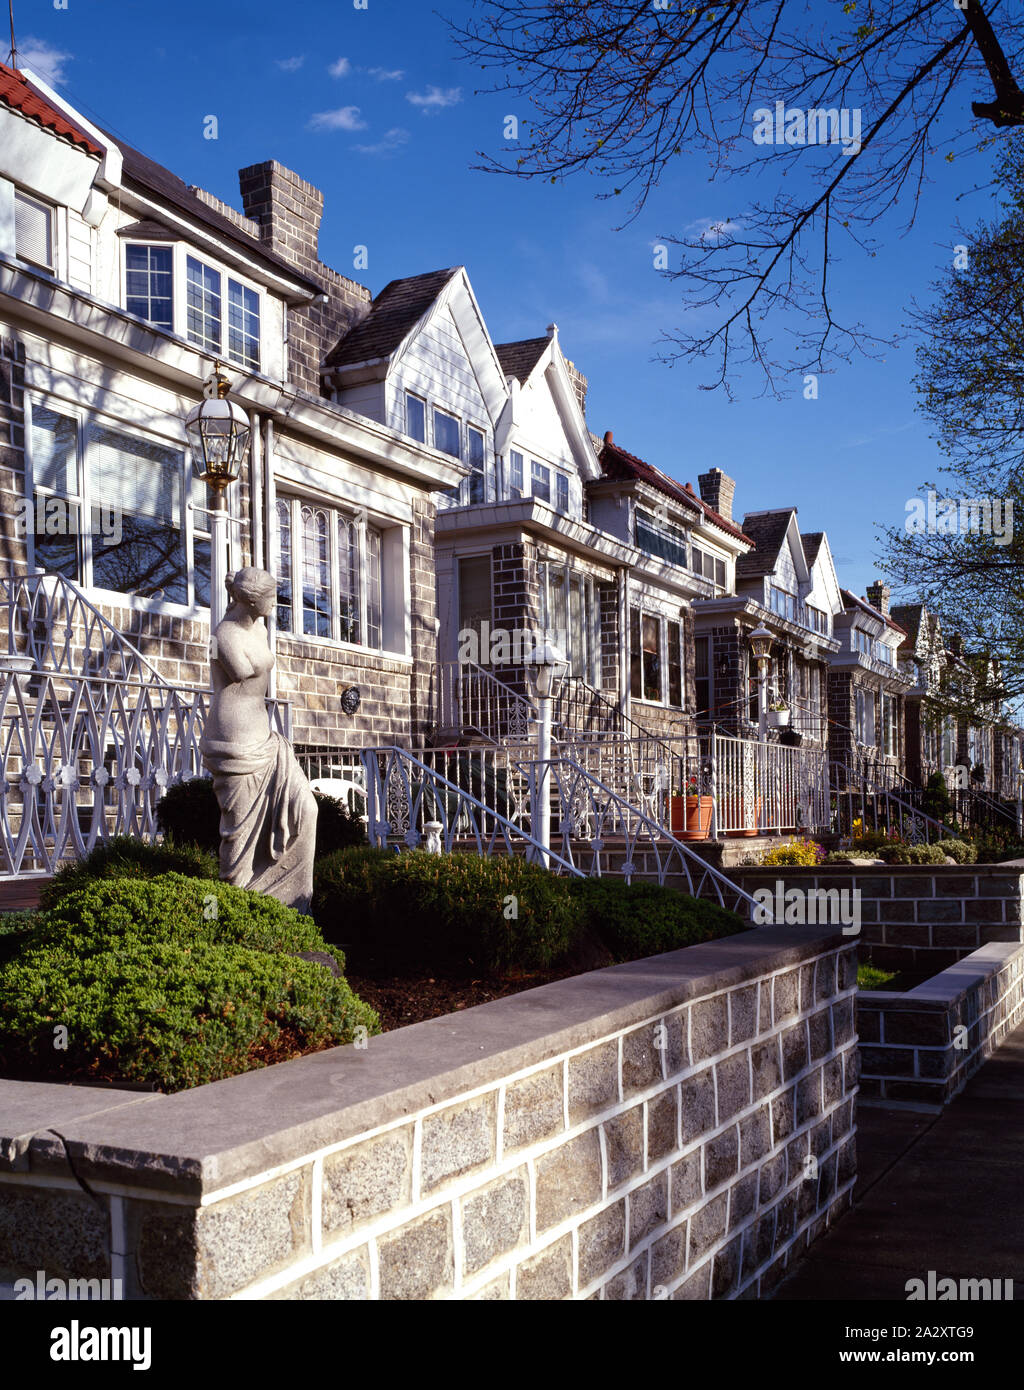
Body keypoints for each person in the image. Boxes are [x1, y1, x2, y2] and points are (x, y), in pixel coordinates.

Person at [200, 567, 317, 913]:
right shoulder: (223, 635)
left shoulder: (260, 628)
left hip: (266, 738)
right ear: (251, 600)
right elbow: (241, 671)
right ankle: (230, 918)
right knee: (239, 844)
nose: (275, 603)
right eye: (270, 597)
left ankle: (292, 904)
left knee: (307, 809)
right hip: (233, 741)